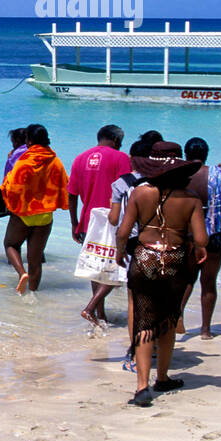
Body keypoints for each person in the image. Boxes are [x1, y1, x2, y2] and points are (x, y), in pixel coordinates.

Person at [116, 142, 207, 407]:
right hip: (175, 260)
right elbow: (201, 238)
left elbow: (123, 232)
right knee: (167, 320)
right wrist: (199, 249)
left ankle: (142, 386)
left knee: (144, 320)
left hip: (144, 257)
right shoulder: (191, 199)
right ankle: (163, 377)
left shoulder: (139, 194)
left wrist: (121, 252)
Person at [81, 136, 149, 338]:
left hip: (125, 235)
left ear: (131, 158)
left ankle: (96, 310)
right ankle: (93, 308)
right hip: (145, 236)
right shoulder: (153, 183)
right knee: (126, 281)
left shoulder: (121, 182)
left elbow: (113, 218)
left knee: (117, 274)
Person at [68, 125, 132, 327]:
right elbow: (128, 189)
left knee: (95, 267)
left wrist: (74, 222)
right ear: (115, 140)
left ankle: (100, 313)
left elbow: (72, 194)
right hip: (113, 220)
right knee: (117, 267)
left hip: (88, 221)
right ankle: (92, 308)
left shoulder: (80, 158)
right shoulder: (121, 157)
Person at [0, 124, 69, 294]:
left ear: (28, 140)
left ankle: (22, 273)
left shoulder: (25, 160)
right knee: (35, 259)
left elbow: (13, 187)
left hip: (23, 214)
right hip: (45, 215)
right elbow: (66, 183)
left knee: (10, 244)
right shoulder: (55, 161)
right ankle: (34, 295)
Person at [180, 137, 221, 340]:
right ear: (206, 154)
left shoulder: (180, 174)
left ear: (186, 154)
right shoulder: (219, 173)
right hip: (215, 234)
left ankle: (178, 317)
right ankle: (205, 331)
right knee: (209, 282)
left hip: (187, 235)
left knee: (187, 279)